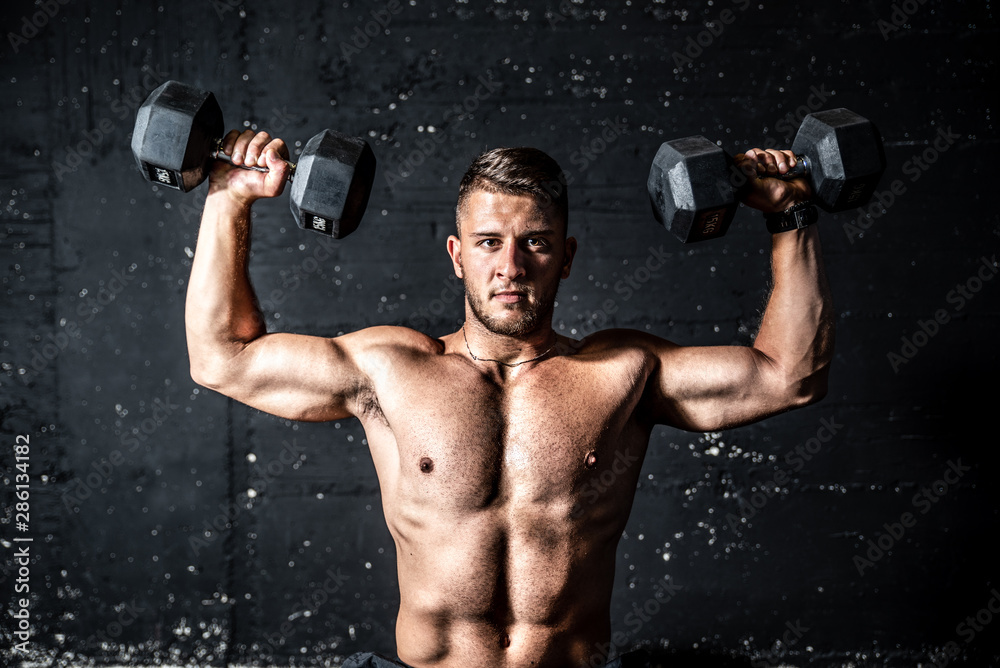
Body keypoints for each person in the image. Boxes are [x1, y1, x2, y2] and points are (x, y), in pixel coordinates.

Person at [185, 128, 832, 668]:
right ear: (457, 255)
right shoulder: (389, 369)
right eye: (489, 242)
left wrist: (790, 215)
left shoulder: (624, 372)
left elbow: (791, 376)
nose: (511, 267)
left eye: (536, 243)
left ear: (566, 257)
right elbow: (222, 358)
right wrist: (229, 195)